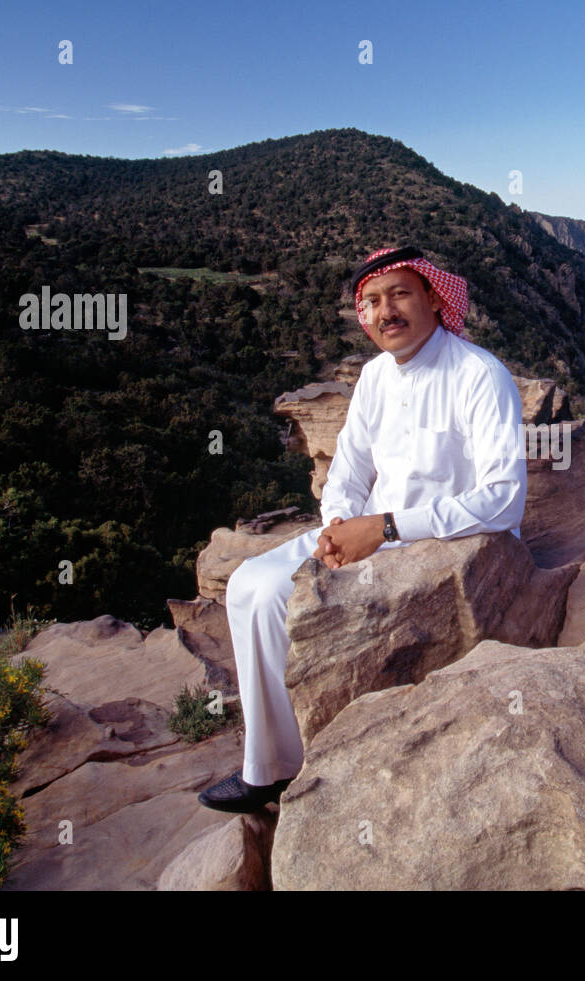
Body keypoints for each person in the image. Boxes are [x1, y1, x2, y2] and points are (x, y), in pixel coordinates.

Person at [198, 246, 528, 812]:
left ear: (433, 297)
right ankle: (270, 763)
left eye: (399, 294)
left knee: (278, 597)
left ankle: (278, 768)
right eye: (372, 302)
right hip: (366, 533)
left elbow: (503, 500)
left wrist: (384, 527)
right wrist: (336, 526)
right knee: (250, 583)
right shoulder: (375, 376)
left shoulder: (480, 374)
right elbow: (348, 469)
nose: (386, 312)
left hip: (435, 543)